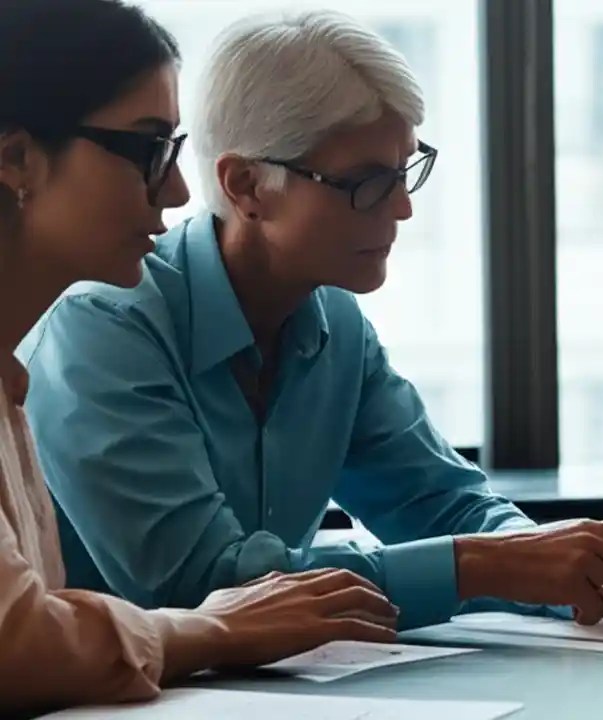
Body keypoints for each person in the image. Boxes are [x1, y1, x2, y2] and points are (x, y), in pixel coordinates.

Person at [19, 8, 603, 632]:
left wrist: (587, 560)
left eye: (407, 172)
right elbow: (201, 582)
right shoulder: (104, 320)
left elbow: (442, 505)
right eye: (367, 181)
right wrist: (492, 563)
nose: (401, 209)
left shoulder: (333, 323)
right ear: (246, 185)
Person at [0, 1, 411, 713]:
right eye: (146, 148)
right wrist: (212, 627)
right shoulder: (100, 323)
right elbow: (17, 640)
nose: (181, 190)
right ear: (15, 159)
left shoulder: (10, 390)